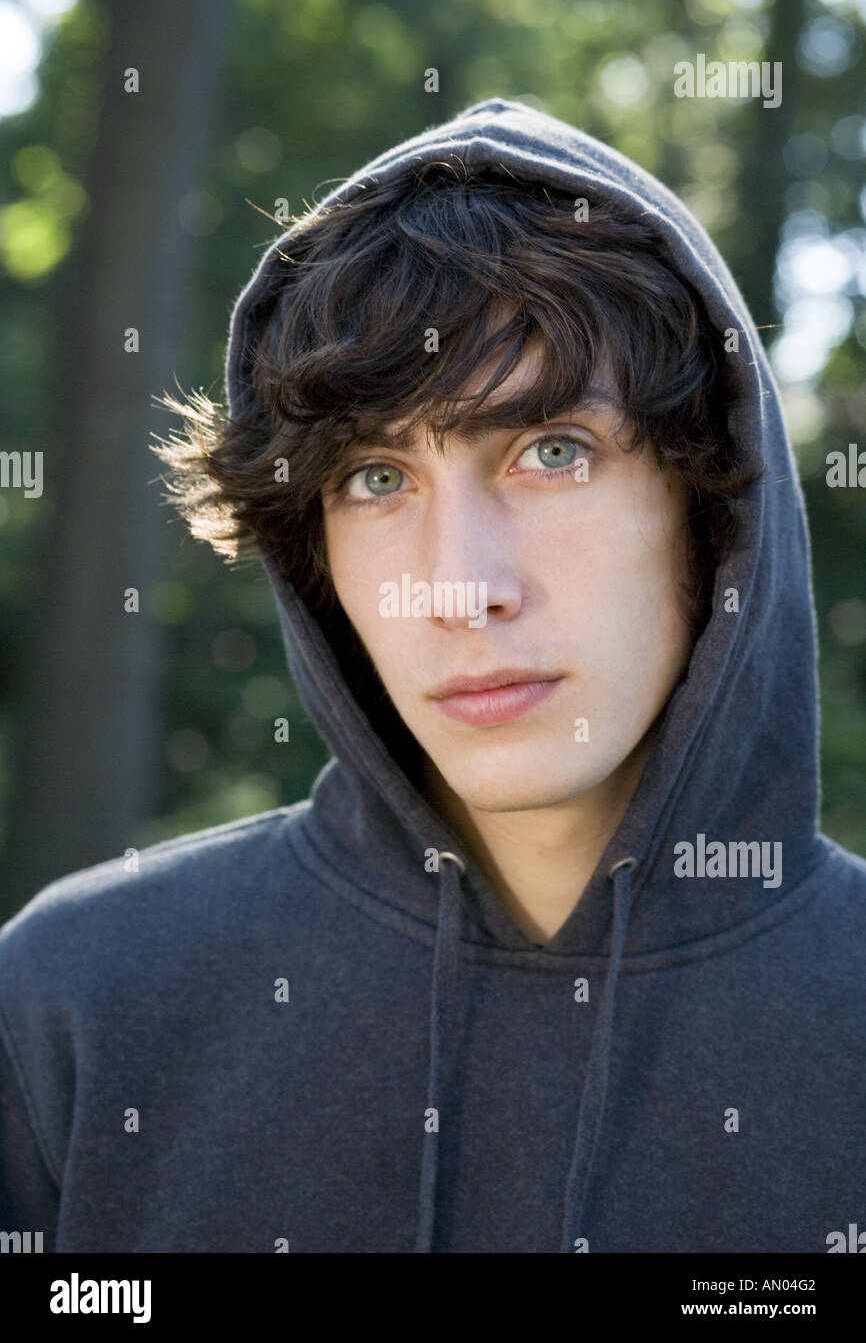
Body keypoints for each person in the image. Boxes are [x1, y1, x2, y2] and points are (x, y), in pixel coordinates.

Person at [1, 96, 864, 1254]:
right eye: (372, 478)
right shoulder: (77, 1002)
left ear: (708, 510)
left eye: (551, 452)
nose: (458, 587)